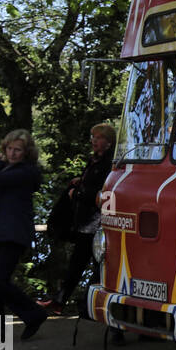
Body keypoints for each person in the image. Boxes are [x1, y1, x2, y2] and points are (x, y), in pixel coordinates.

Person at [38, 123, 116, 315]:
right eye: (92, 137)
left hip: (96, 223)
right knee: (78, 263)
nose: (93, 141)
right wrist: (80, 182)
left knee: (95, 266)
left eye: (98, 138)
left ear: (108, 142)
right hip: (85, 223)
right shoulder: (94, 161)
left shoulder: (109, 163)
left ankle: (87, 304)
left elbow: (102, 192)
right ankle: (62, 301)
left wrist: (78, 194)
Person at [0, 130, 47, 340]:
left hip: (14, 232)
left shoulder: (28, 172)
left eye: (18, 150)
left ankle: (33, 313)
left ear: (26, 152)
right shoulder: (3, 167)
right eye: (9, 149)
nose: (13, 153)